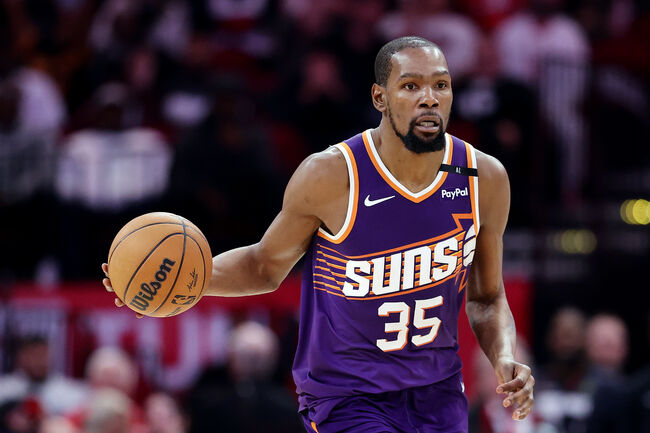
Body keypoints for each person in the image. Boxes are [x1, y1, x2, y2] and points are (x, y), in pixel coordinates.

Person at [102, 36, 535, 432]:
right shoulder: (331, 175)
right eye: (411, 86)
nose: (429, 98)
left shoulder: (483, 178)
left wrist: (504, 357)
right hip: (347, 397)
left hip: (438, 395)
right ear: (380, 98)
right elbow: (263, 266)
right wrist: (184, 280)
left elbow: (486, 297)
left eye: (441, 85)